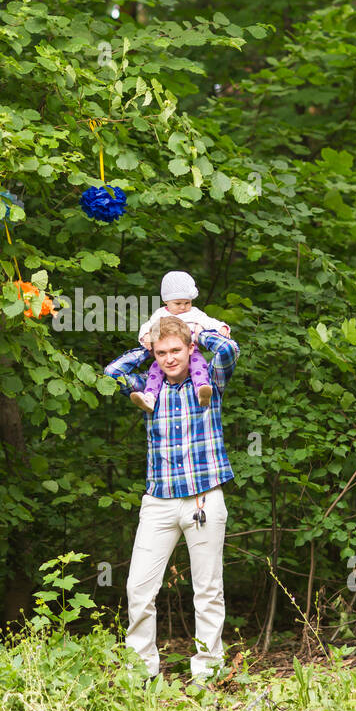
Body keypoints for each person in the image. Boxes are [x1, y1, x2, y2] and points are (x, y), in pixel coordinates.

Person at [104, 312, 240, 682]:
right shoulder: (148, 391)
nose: (170, 358)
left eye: (176, 349)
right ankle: (140, 673)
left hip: (204, 499)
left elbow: (228, 349)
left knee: (208, 590)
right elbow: (110, 374)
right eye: (162, 352)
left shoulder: (209, 380)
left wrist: (201, 332)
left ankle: (207, 674)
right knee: (138, 588)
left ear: (189, 348)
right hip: (159, 501)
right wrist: (144, 347)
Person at [132, 271, 232, 413]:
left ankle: (202, 391)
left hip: (192, 351)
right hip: (168, 353)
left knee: (200, 368)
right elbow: (146, 327)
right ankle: (149, 397)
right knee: (155, 371)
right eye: (178, 303)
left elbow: (209, 322)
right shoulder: (160, 314)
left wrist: (221, 327)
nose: (183, 307)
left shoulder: (194, 313)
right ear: (166, 301)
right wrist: (146, 337)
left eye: (187, 302)